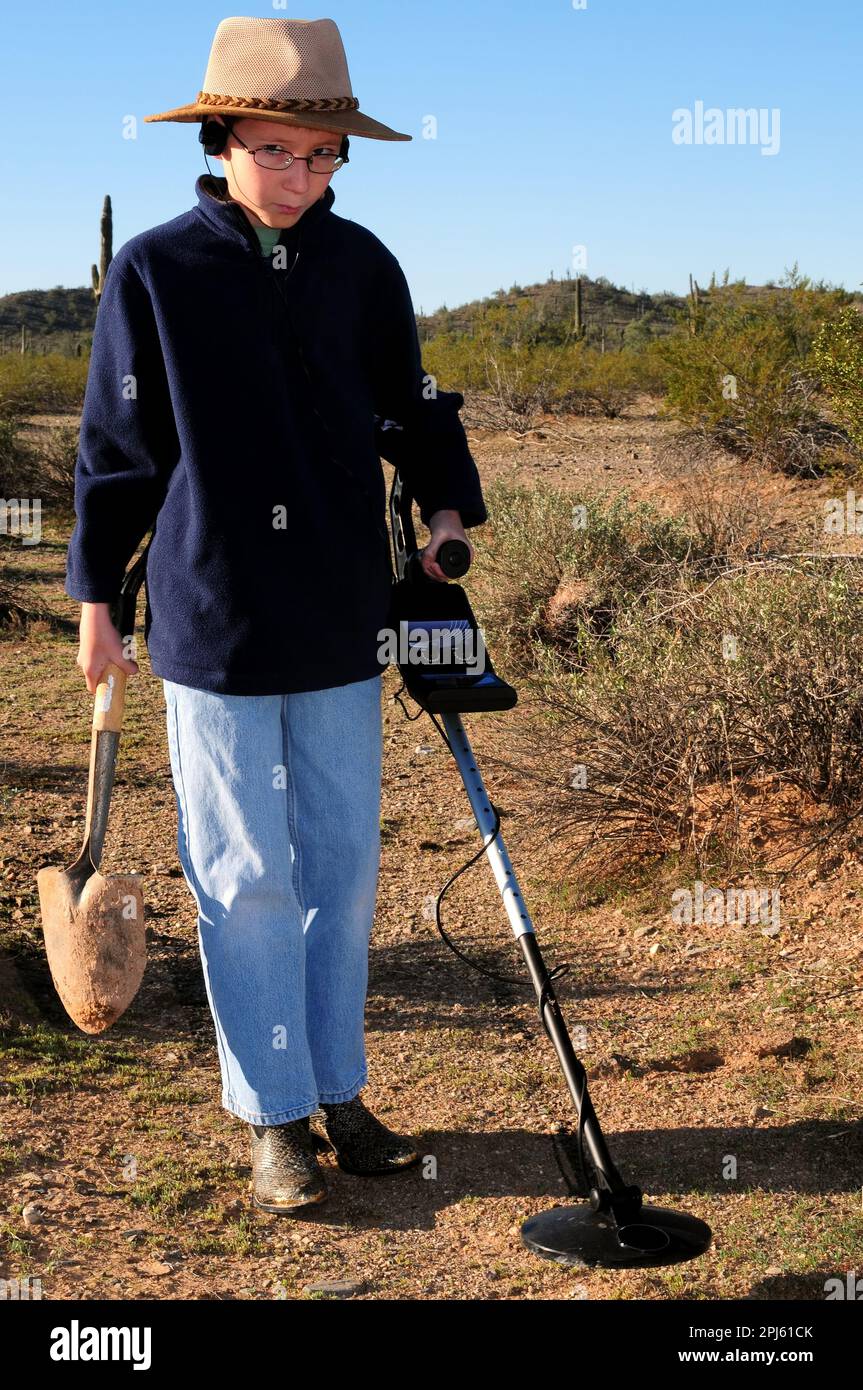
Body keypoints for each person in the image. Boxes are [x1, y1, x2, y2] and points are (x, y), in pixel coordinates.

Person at [65, 17, 488, 1213]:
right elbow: (114, 453)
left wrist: (445, 513)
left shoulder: (364, 266)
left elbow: (412, 406)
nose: (301, 177)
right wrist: (98, 594)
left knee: (343, 866)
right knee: (241, 871)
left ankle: (339, 1091)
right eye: (277, 150)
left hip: (342, 609)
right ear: (220, 140)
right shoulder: (154, 270)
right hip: (211, 616)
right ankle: (271, 1117)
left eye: (322, 156)